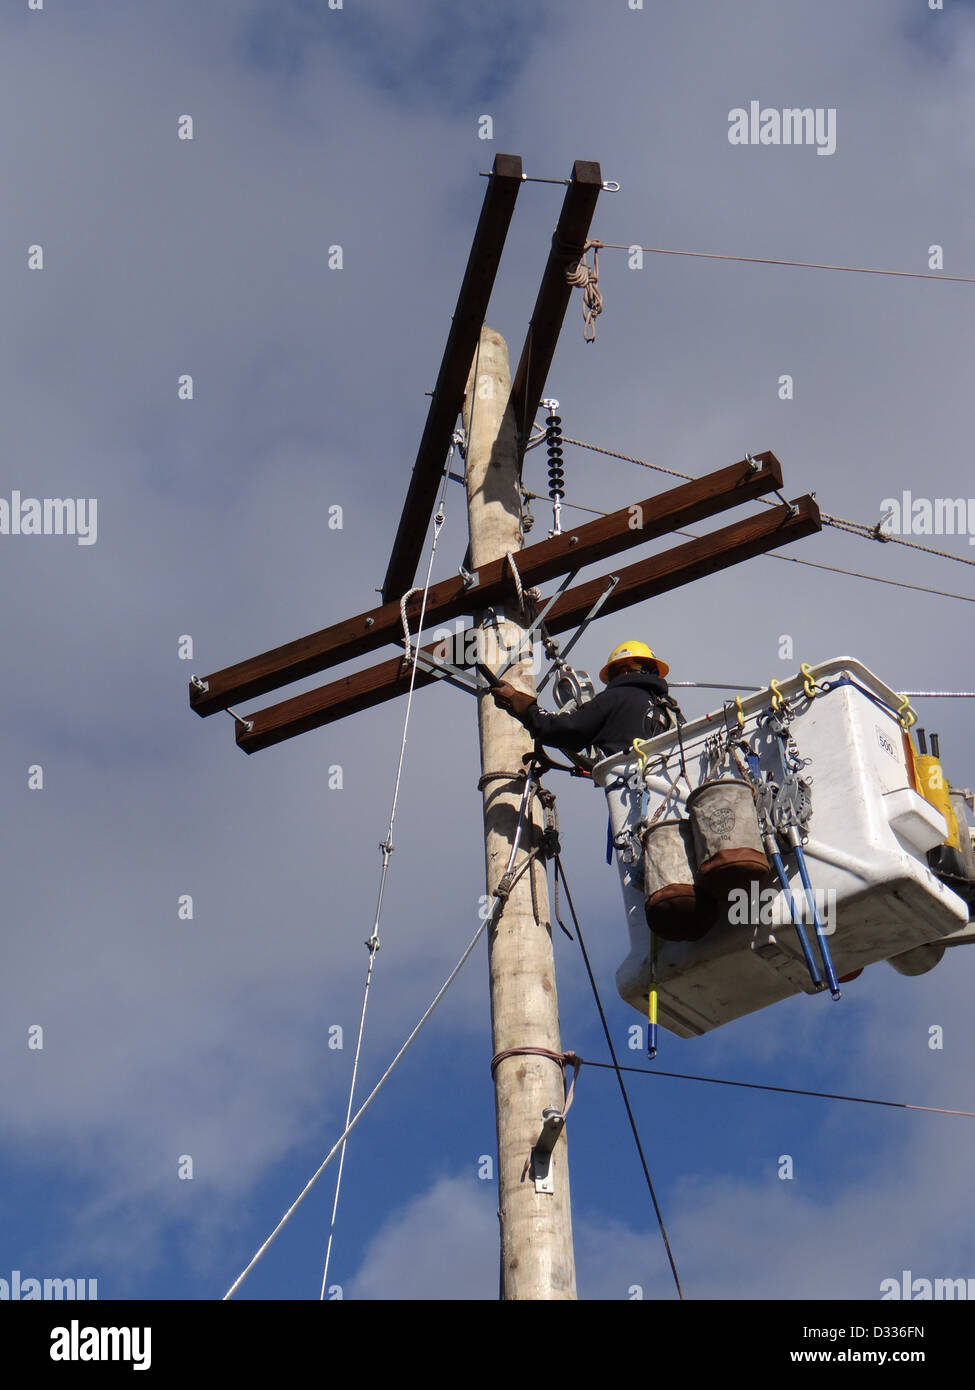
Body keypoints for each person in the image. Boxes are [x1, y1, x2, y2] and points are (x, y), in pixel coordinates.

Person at [491, 640, 683, 758]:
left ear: (623, 669)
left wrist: (521, 705)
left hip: (633, 792)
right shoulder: (670, 712)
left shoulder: (614, 698)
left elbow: (568, 729)